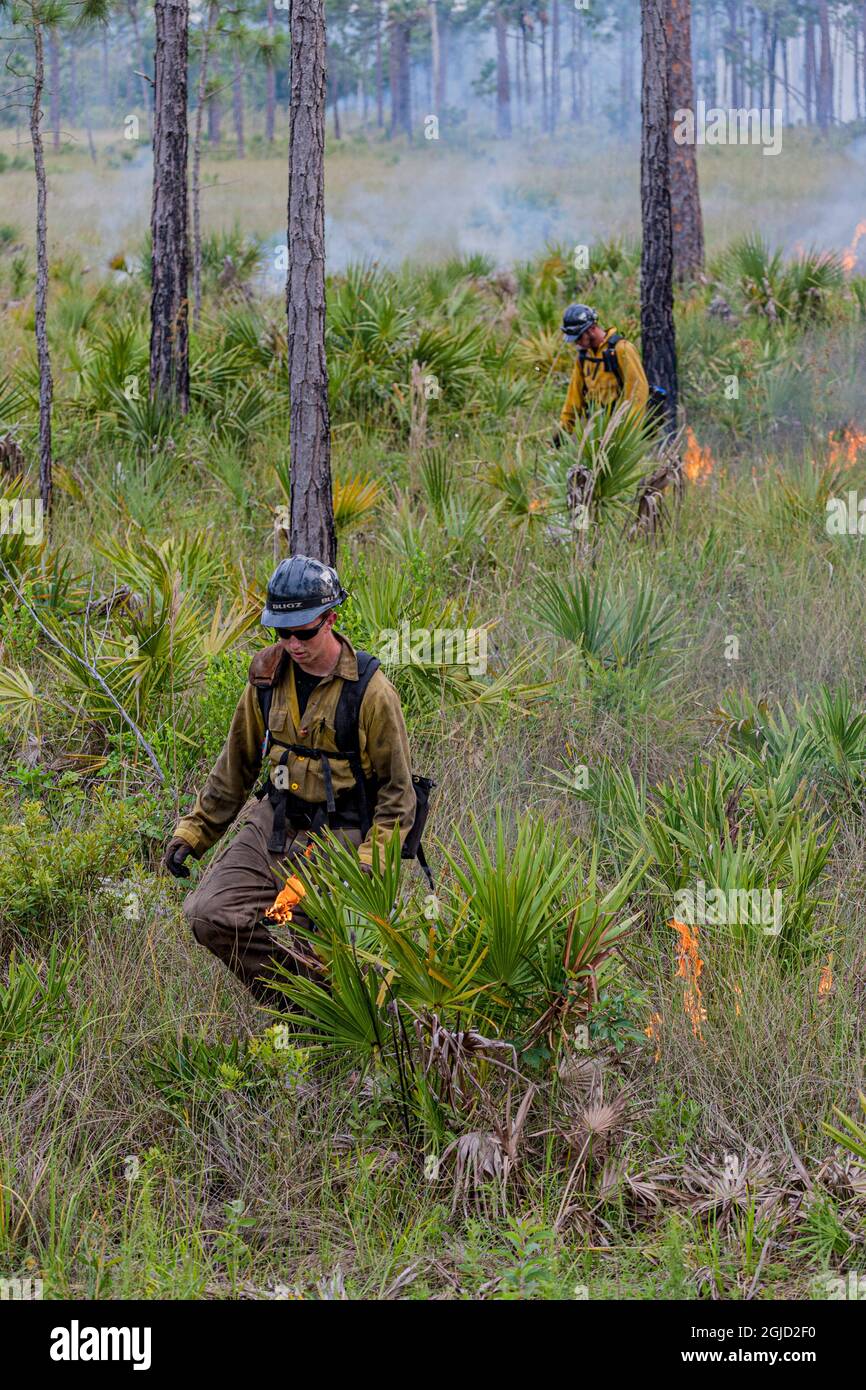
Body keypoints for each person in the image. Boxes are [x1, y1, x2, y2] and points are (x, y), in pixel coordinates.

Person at [163, 555, 417, 1008]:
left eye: (304, 631)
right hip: (277, 820)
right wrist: (196, 830)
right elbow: (236, 765)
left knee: (315, 933)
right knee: (208, 914)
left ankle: (336, 1019)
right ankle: (303, 1008)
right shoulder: (266, 677)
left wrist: (370, 865)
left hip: (344, 831)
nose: (293, 644)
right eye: (282, 633)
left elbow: (398, 794)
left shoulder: (371, 691)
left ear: (331, 619)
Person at [556, 302, 649, 439]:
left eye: (579, 337)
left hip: (622, 429)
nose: (577, 343)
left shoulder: (622, 349)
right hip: (596, 431)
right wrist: (562, 433)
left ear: (591, 328)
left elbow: (638, 392)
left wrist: (628, 433)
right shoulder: (583, 357)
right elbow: (574, 399)